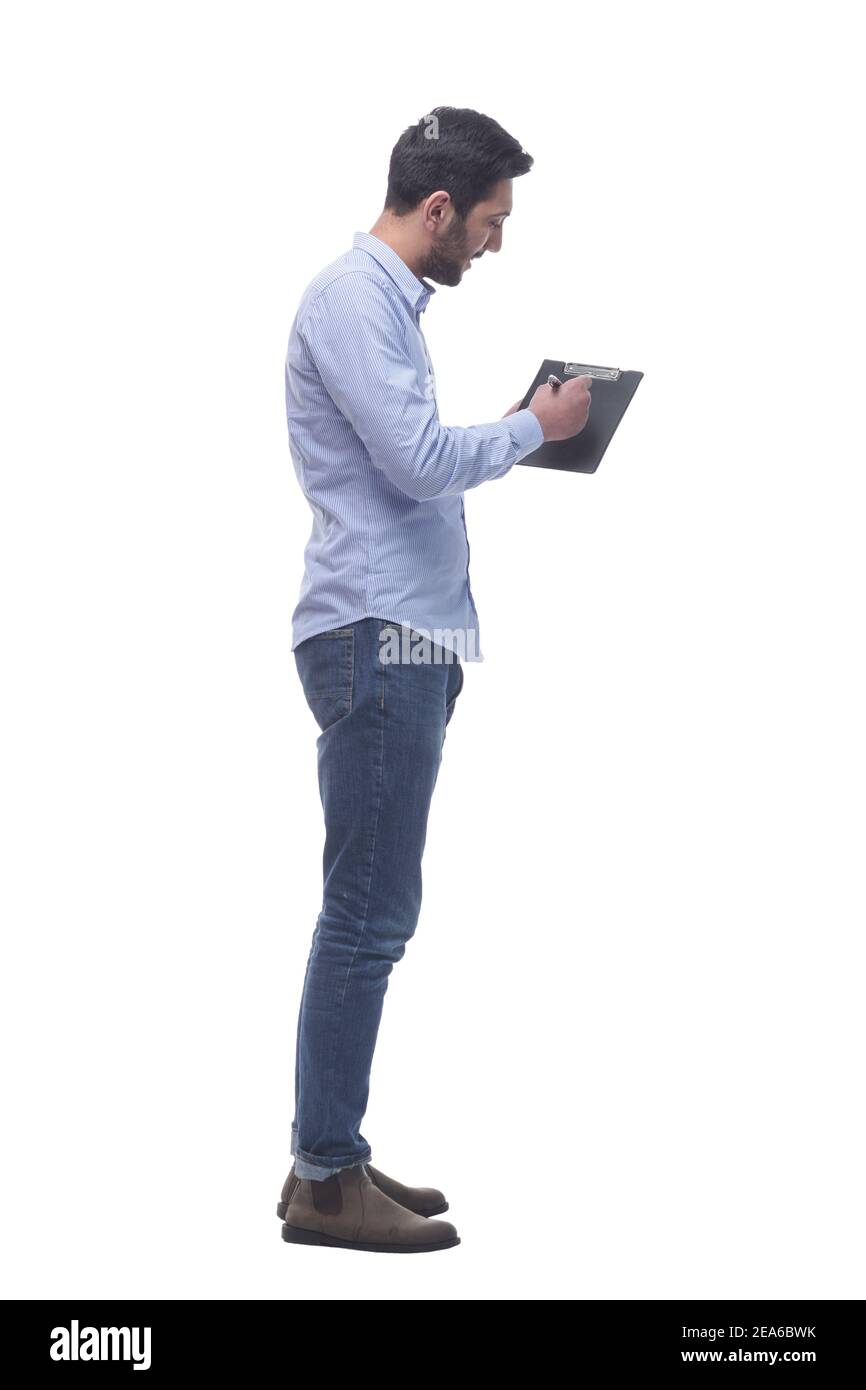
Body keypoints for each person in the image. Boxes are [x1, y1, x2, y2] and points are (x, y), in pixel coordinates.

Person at [279, 106, 592, 1253]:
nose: (494, 245)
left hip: (401, 639)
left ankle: (333, 1153)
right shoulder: (353, 298)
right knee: (366, 914)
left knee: (375, 909)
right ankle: (321, 1176)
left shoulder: (385, 307)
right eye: (490, 223)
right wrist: (528, 424)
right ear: (437, 209)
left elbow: (403, 463)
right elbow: (415, 464)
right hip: (372, 636)